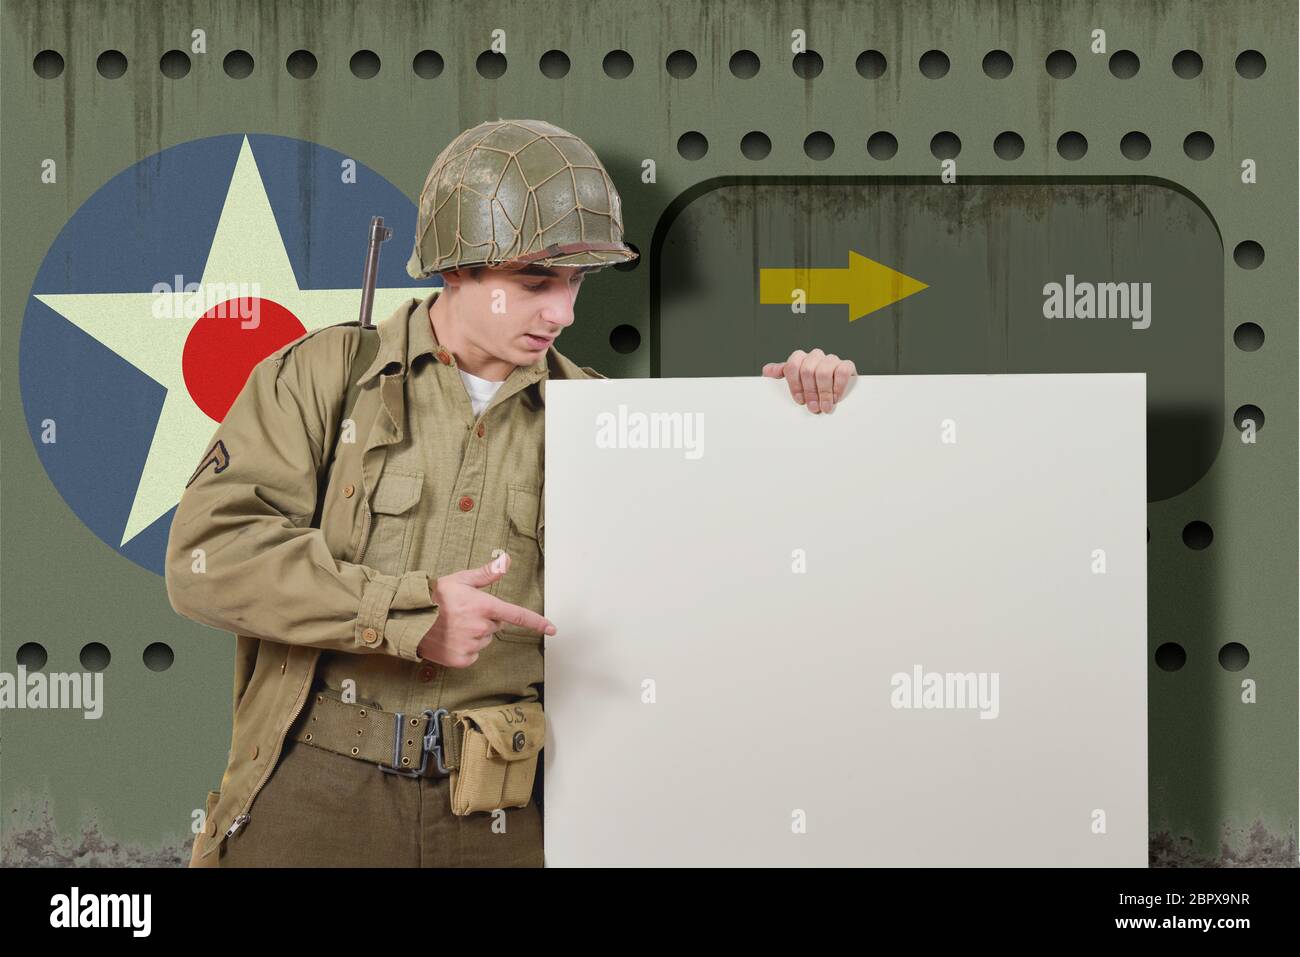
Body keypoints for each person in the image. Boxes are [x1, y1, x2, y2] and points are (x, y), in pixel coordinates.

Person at [166, 118, 858, 868]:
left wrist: (782, 425)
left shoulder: (606, 423)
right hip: (318, 797)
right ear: (456, 269)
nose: (561, 313)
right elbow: (209, 554)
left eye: (575, 284)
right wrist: (406, 614)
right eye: (535, 282)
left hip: (506, 817)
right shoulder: (325, 376)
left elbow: (718, 587)